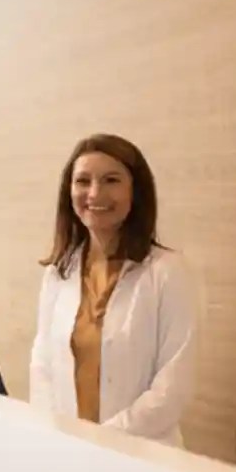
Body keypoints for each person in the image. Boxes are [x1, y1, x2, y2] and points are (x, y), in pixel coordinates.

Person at [28, 134, 199, 446]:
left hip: (143, 458)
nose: (95, 193)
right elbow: (42, 365)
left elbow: (172, 389)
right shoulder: (58, 273)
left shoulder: (168, 272)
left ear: (136, 191)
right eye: (83, 181)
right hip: (68, 453)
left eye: (111, 180)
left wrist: (102, 441)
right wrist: (54, 436)